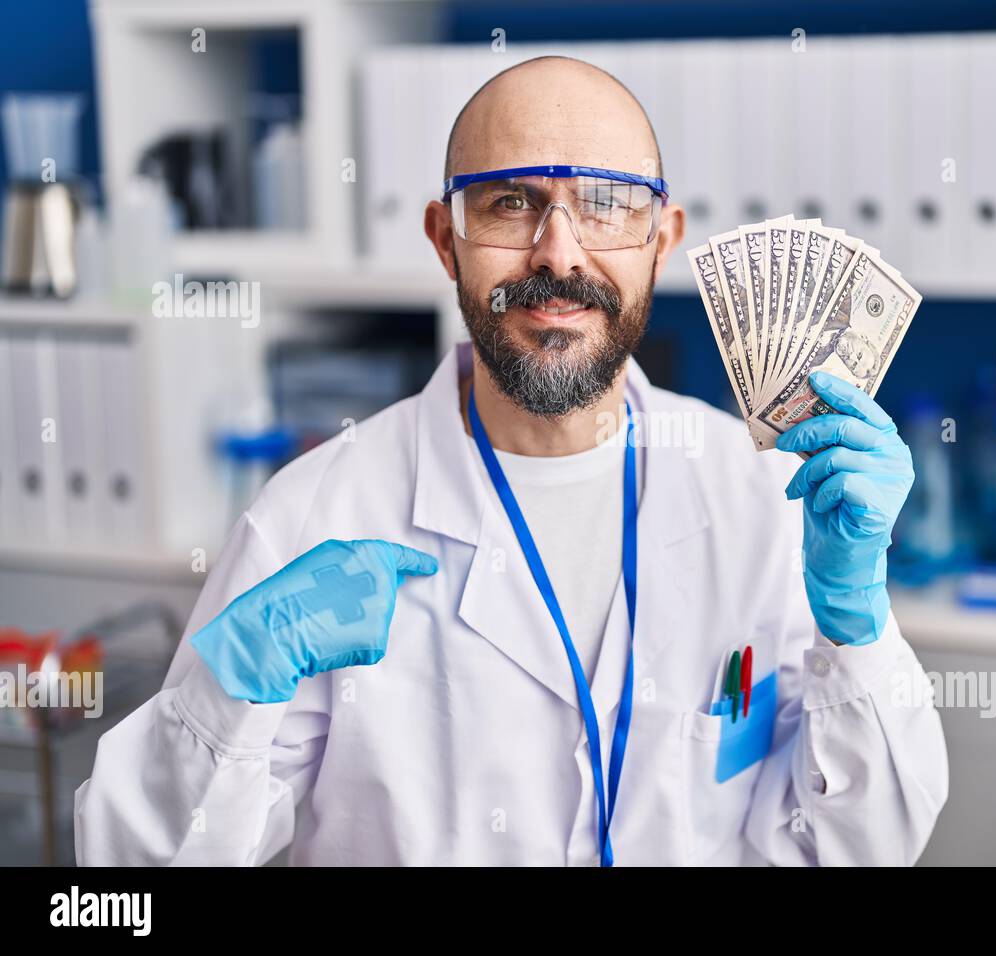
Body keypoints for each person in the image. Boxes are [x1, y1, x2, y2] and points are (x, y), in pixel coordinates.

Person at [75, 56, 947, 866]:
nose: (559, 253)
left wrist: (857, 632)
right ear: (445, 240)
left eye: (606, 203)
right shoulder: (311, 518)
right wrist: (228, 696)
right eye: (508, 202)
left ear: (662, 239)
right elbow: (130, 877)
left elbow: (859, 849)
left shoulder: (764, 495)